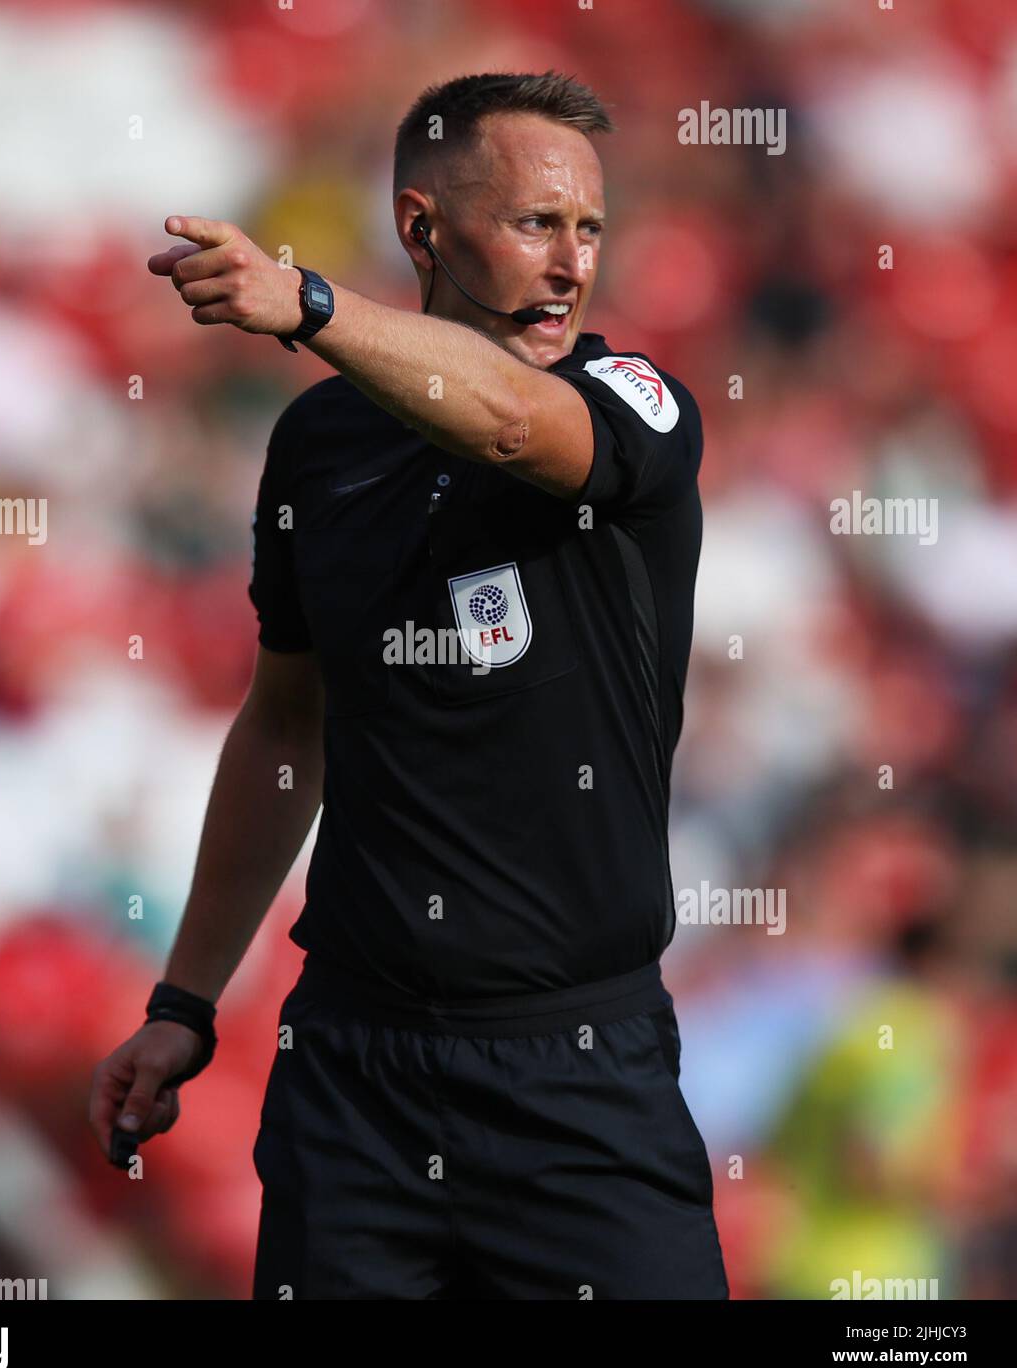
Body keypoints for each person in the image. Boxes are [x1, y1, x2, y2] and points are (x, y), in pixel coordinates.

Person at [89, 69, 728, 1300]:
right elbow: (286, 726)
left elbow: (500, 423)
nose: (571, 264)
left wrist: (308, 303)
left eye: (589, 228)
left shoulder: (634, 407)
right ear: (422, 228)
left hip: (577, 1074)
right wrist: (186, 997)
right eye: (537, 222)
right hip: (355, 1076)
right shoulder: (317, 448)